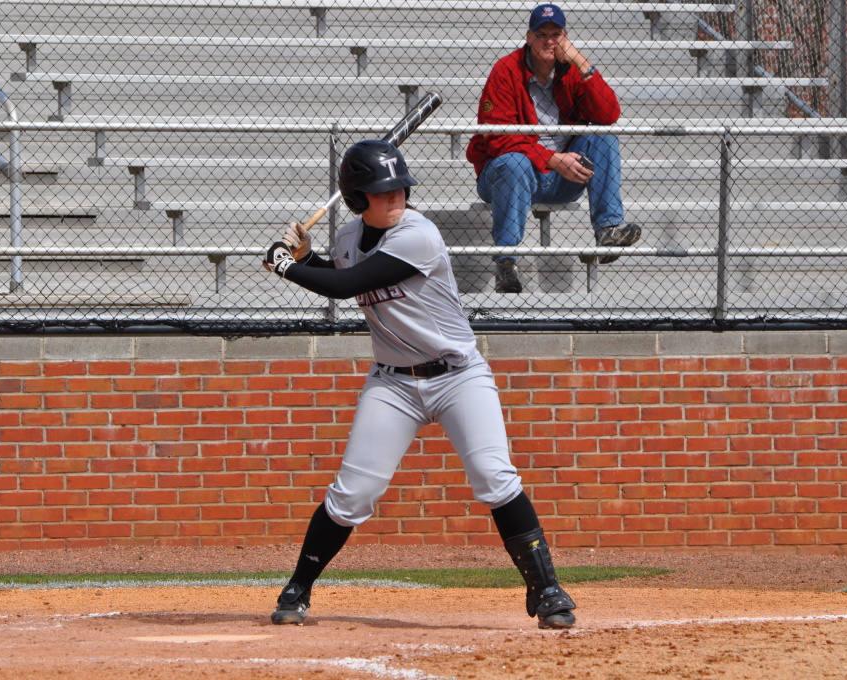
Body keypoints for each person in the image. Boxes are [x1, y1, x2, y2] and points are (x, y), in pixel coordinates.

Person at [262, 139, 577, 629]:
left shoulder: (419, 235)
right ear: (357, 198)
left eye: (400, 188)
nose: (397, 197)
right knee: (354, 493)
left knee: (494, 477)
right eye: (383, 191)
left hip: (458, 376)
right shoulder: (347, 239)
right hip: (394, 385)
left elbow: (347, 287)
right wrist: (304, 258)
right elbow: (344, 272)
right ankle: (297, 588)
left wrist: (286, 266)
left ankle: (548, 590)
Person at [467, 3, 641, 293]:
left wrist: (581, 63)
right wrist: (552, 159)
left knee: (604, 136)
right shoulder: (505, 70)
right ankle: (506, 264)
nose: (549, 41)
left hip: (562, 177)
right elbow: (497, 138)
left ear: (565, 37)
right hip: (507, 175)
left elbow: (609, 114)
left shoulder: (572, 69)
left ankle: (609, 229)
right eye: (541, 34)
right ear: (528, 37)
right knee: (514, 163)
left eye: (556, 34)